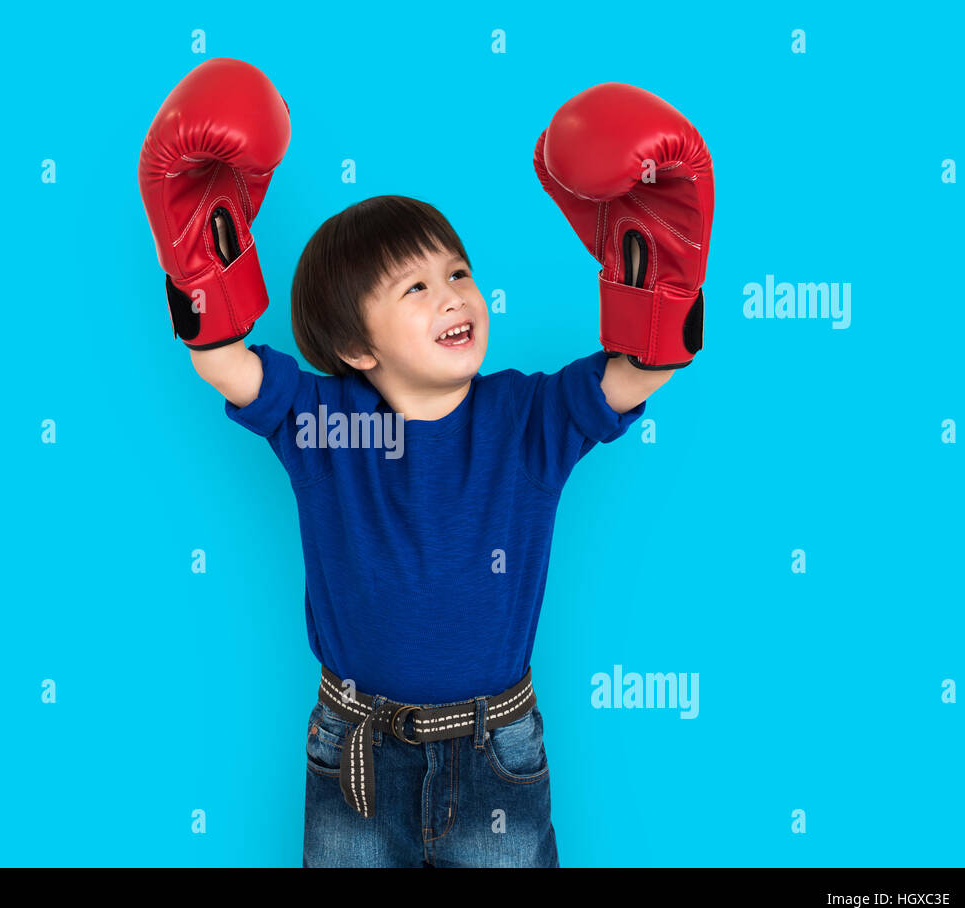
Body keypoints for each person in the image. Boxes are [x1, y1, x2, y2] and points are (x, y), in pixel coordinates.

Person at [139, 59, 713, 867]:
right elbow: (225, 363)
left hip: (495, 748)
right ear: (354, 346)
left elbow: (640, 372)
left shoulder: (529, 419)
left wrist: (664, 281)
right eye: (415, 288)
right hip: (357, 750)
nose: (452, 296)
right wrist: (205, 268)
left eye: (458, 273)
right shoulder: (327, 426)